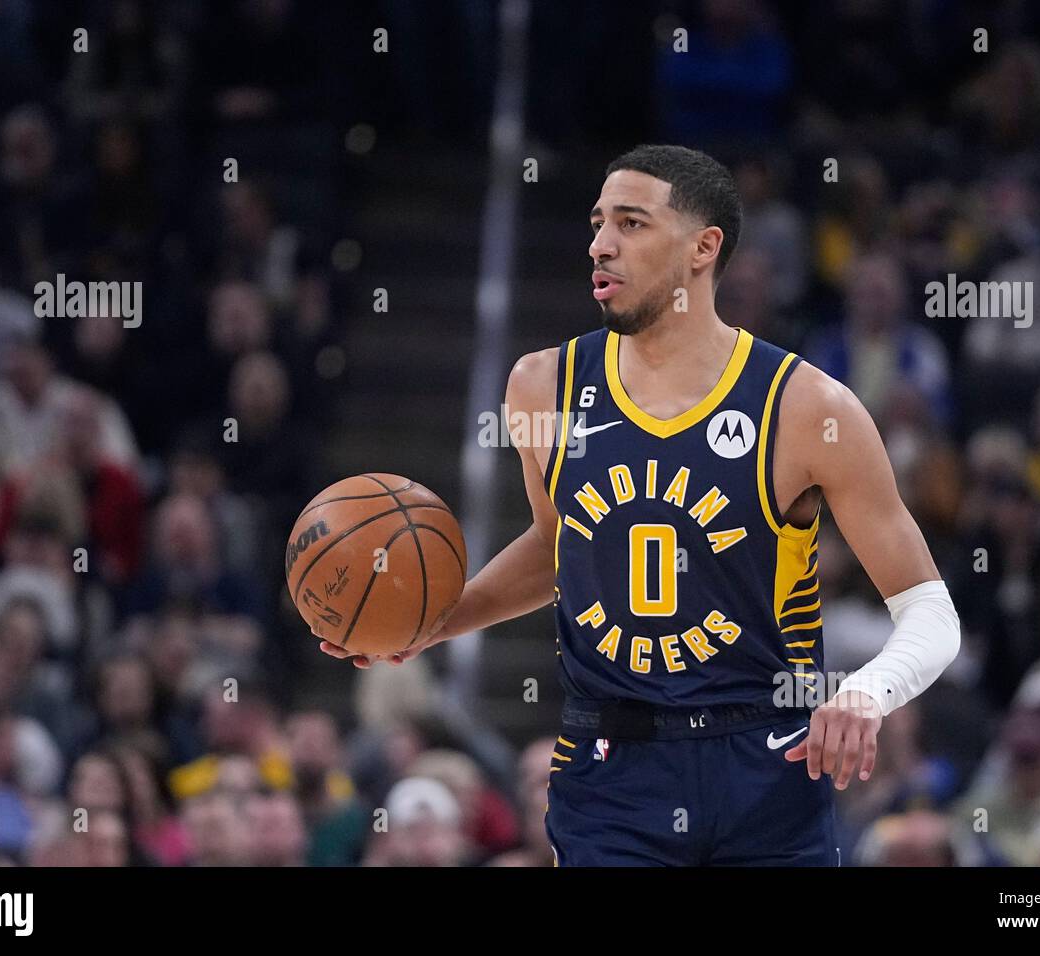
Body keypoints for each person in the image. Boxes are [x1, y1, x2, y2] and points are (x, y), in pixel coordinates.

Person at [319, 145, 960, 866]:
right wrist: (429, 623)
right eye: (598, 224)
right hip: (612, 768)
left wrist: (867, 693)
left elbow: (932, 613)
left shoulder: (808, 408)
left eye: (631, 223)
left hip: (769, 759)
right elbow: (560, 546)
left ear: (702, 248)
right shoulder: (542, 386)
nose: (600, 244)